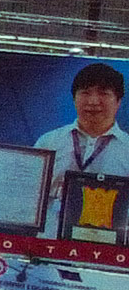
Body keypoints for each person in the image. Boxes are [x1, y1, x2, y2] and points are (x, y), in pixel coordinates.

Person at [37, 62, 126, 233]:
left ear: (118, 102)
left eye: (103, 93)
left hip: (107, 251)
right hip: (50, 244)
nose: (93, 101)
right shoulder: (49, 142)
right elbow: (26, 191)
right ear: (74, 98)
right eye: (85, 93)